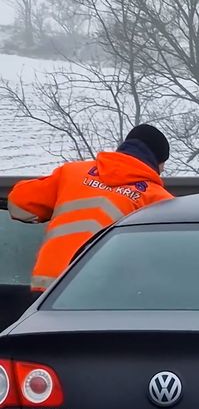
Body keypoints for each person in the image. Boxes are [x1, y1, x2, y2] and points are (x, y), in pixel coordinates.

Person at [7, 124, 175, 292]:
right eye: (163, 164)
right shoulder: (158, 199)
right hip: (102, 296)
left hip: (49, 290)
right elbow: (169, 256)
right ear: (157, 161)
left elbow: (18, 204)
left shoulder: (72, 173)